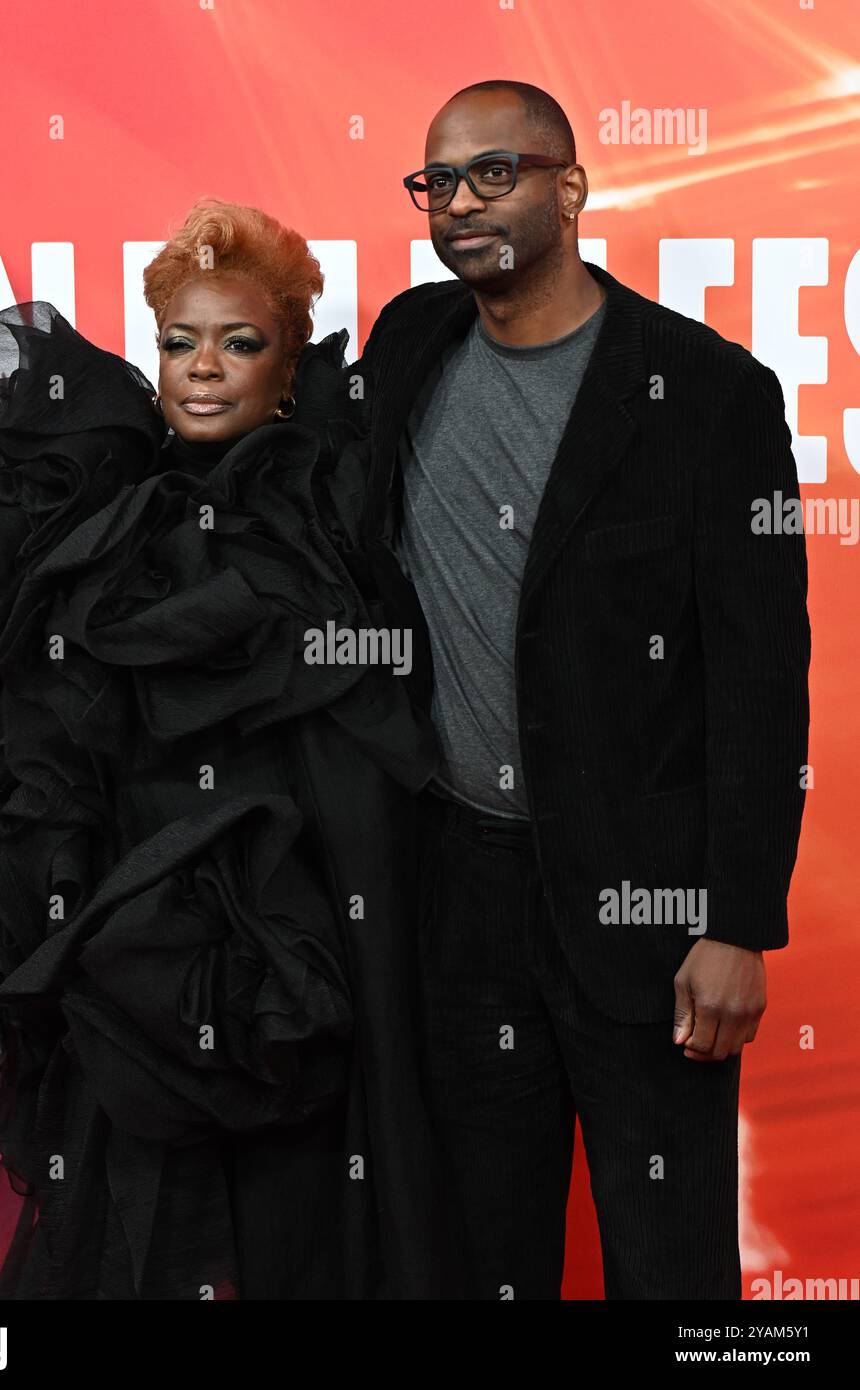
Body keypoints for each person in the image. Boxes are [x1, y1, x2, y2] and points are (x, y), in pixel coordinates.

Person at [0, 198, 457, 1299]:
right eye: (180, 342)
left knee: (296, 1230)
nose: (205, 370)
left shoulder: (337, 513)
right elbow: (29, 748)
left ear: (287, 364)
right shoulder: (98, 517)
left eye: (240, 343)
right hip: (126, 944)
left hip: (301, 956)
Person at [350, 81, 811, 1299]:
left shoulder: (707, 394)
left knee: (670, 1270)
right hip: (459, 900)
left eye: (491, 173)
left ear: (570, 187)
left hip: (648, 906)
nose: (459, 204)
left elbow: (762, 675)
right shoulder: (406, 344)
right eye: (436, 182)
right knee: (483, 1259)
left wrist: (736, 922)